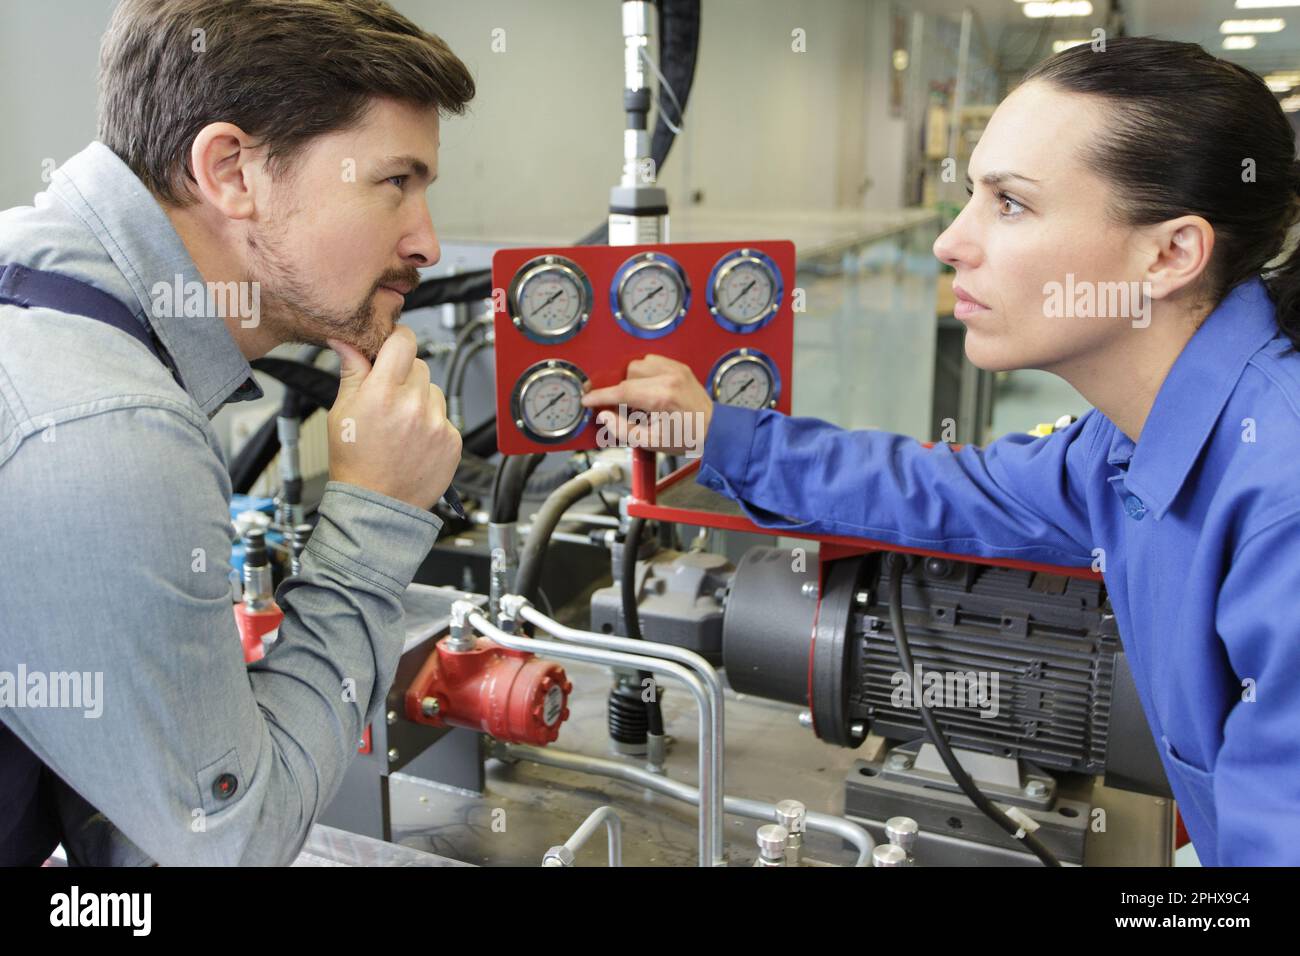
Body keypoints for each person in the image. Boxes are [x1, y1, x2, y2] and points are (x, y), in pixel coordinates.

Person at [584, 37, 1300, 866]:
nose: (950, 242)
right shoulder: (1131, 441)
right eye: (972, 196)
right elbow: (946, 489)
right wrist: (720, 435)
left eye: (1012, 205)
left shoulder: (1277, 499)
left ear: (1170, 253)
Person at [0, 0, 467, 864]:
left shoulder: (36, 299)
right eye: (394, 183)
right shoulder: (108, 432)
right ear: (233, 171)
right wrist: (375, 514)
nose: (428, 243)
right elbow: (232, 844)